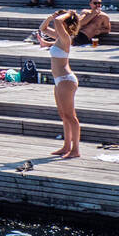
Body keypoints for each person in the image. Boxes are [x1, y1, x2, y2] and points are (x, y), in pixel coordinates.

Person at [40, 9, 81, 159]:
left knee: (71, 116)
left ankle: (75, 149)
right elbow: (43, 28)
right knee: (63, 115)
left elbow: (58, 23)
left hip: (66, 80)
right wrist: (51, 16)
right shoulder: (59, 36)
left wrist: (69, 14)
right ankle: (66, 146)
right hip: (59, 81)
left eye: (59, 18)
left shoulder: (66, 37)